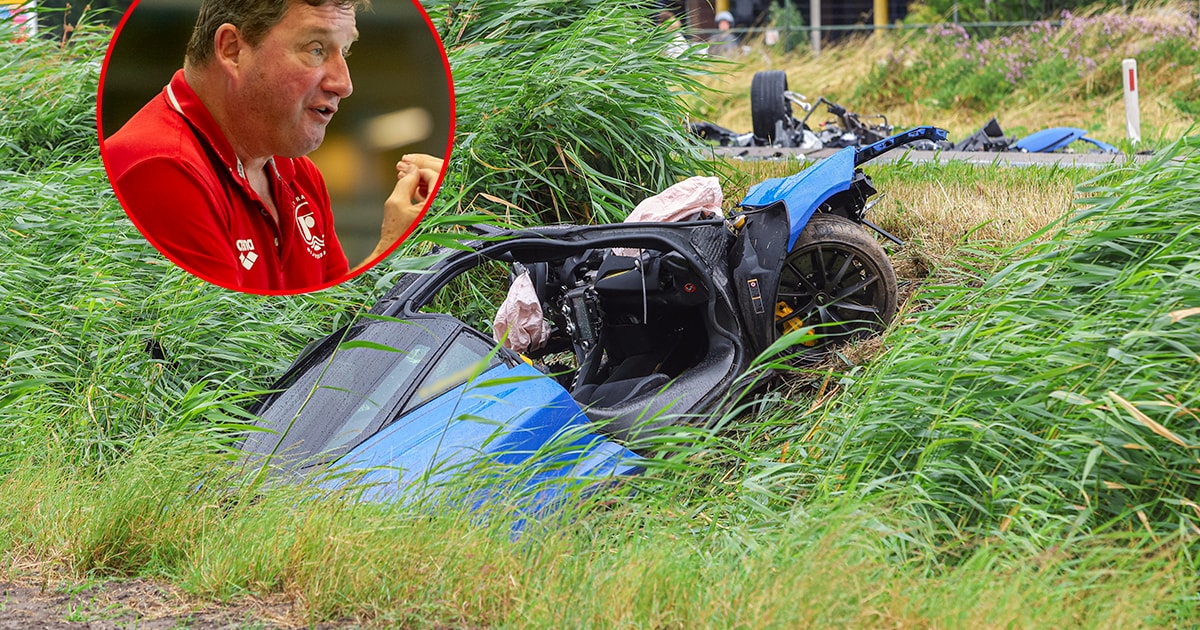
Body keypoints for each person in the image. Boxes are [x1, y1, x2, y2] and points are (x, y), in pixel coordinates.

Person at [102, 0, 443, 293]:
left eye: (345, 50)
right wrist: (395, 250)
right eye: (316, 49)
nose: (344, 83)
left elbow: (335, 315)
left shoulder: (298, 172)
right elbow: (249, 352)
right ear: (232, 50)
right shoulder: (159, 168)